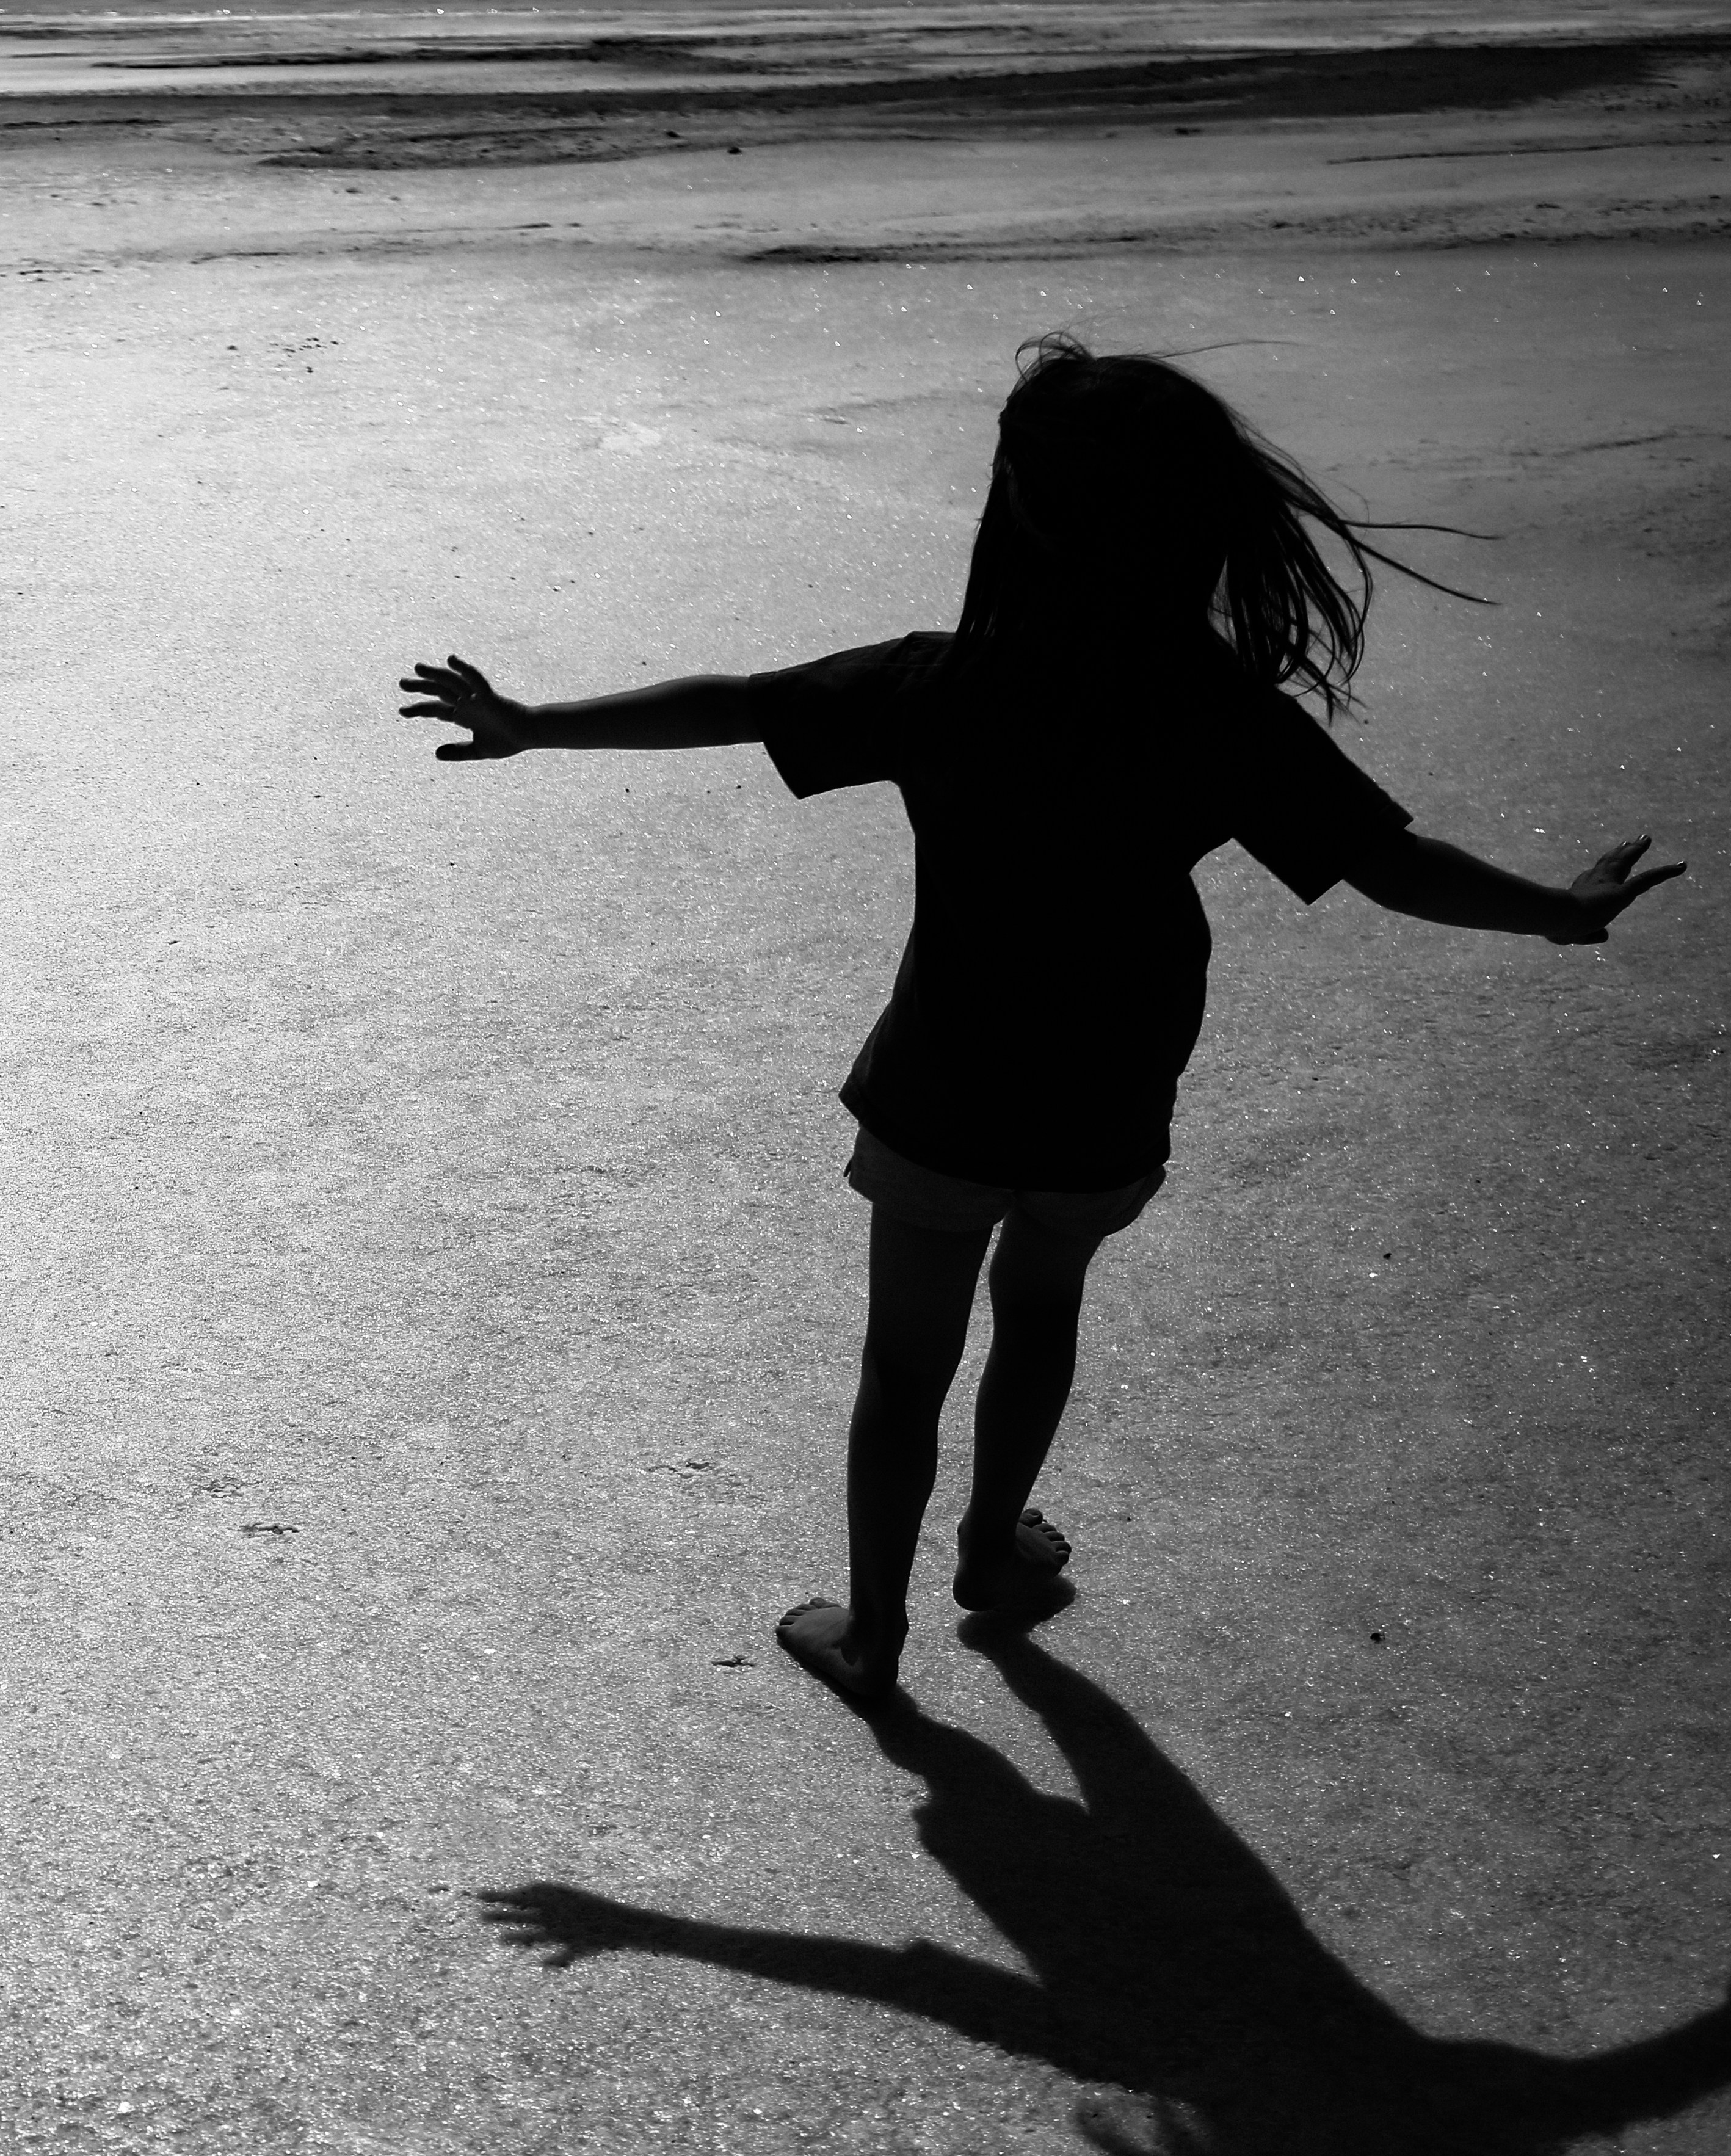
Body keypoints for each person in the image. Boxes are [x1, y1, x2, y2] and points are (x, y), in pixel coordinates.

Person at [397, 335, 1685, 1712]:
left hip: (943, 1083)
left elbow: (739, 702)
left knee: (905, 1365)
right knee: (1044, 1307)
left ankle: (875, 1632)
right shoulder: (1215, 713)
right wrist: (1557, 909)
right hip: (1110, 1082)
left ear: (1021, 511)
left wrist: (537, 722)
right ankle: (996, 1554)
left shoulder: (939, 683)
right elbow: (1391, 862)